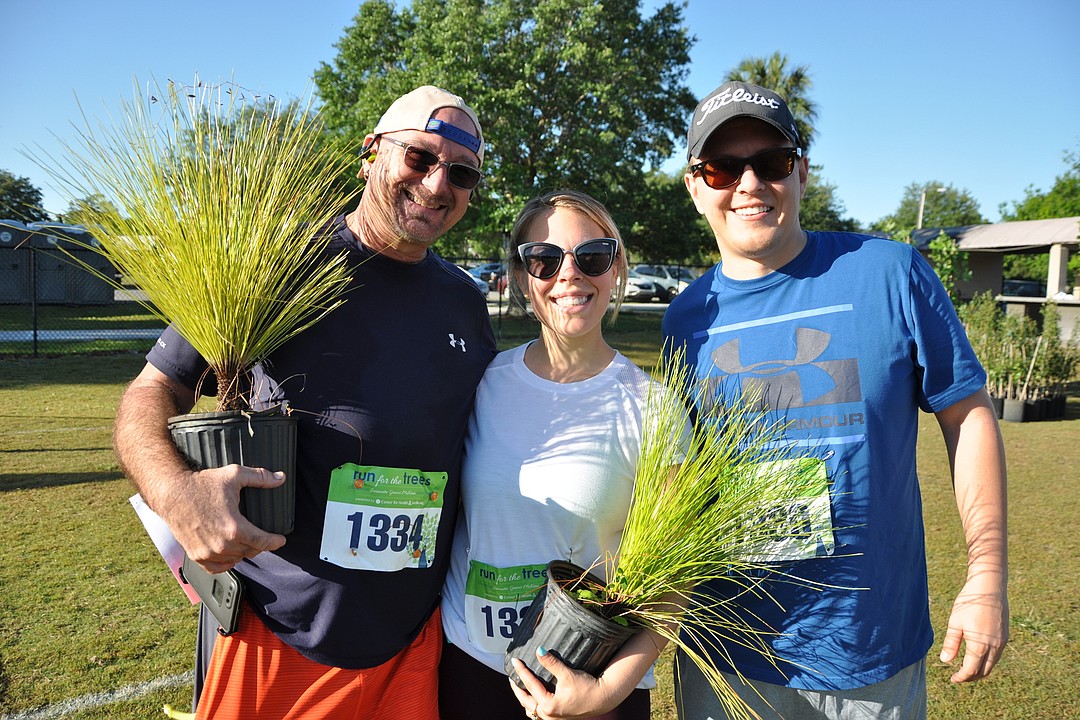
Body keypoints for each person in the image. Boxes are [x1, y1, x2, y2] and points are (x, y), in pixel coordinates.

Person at [114, 85, 498, 720]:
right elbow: (155, 389)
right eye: (419, 159)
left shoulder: (462, 299)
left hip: (411, 637)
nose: (437, 185)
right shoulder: (277, 263)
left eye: (461, 173)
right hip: (275, 630)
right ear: (371, 153)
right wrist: (177, 495)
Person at [663, 81, 1009, 720]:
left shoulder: (889, 272)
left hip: (869, 654)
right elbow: (683, 474)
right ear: (694, 186)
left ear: (801, 171)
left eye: (770, 162)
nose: (748, 183)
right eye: (721, 167)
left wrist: (986, 576)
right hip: (729, 659)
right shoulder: (686, 319)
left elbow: (969, 416)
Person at [439, 190, 671, 720]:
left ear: (615, 270)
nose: (569, 274)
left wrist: (607, 691)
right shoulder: (481, 382)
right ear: (521, 279)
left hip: (589, 679)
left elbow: (672, 586)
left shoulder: (652, 406)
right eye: (544, 259)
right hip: (472, 667)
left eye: (592, 256)